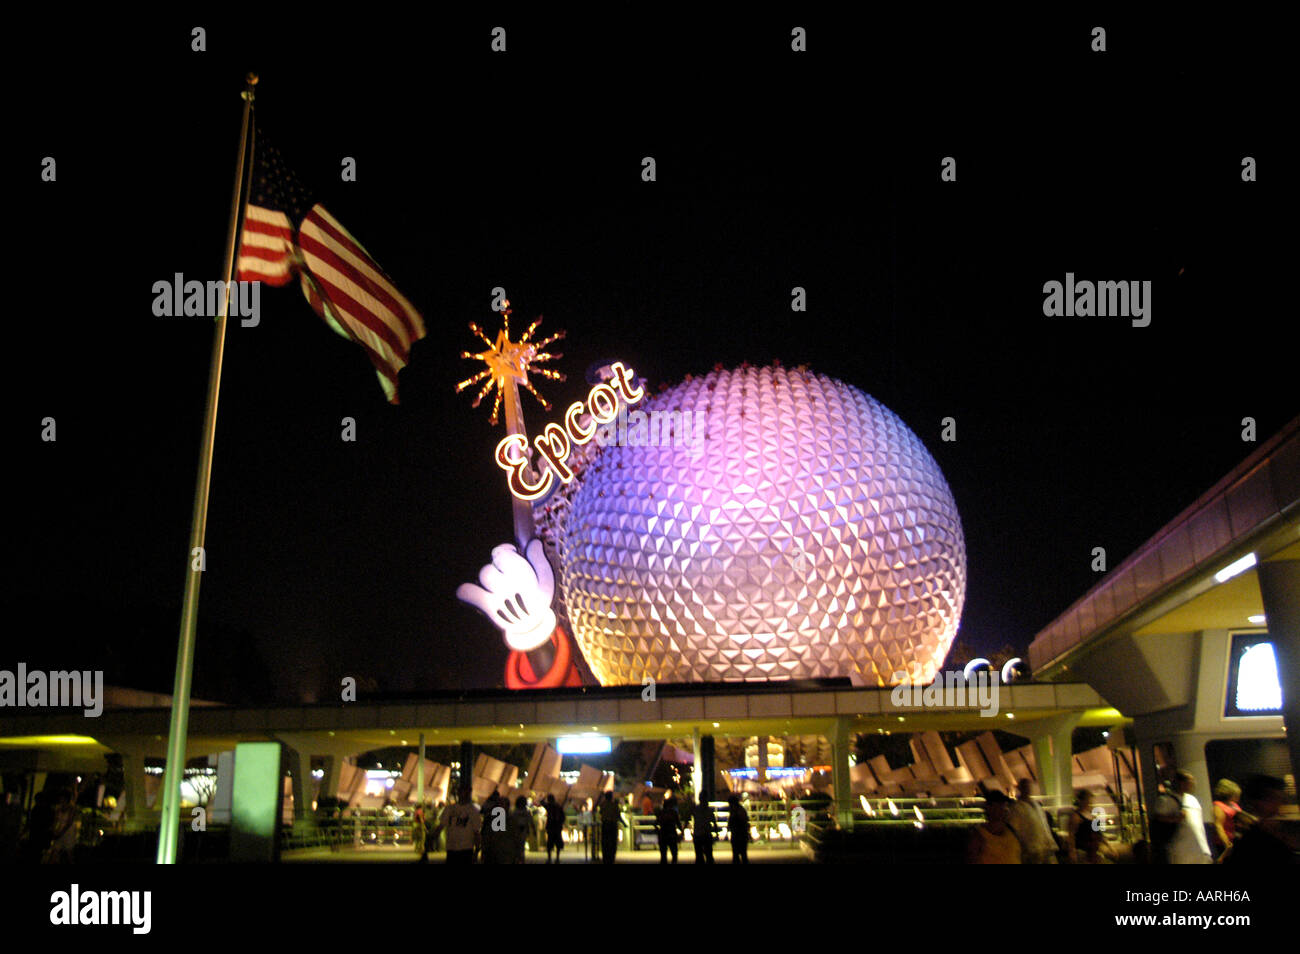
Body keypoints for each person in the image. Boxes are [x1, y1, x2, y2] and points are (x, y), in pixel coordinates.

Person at [1220, 775, 1296, 865]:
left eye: (1279, 799)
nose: (1278, 804)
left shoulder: (1270, 832)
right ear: (1257, 803)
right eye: (1272, 798)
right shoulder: (1254, 841)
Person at [1006, 778, 1058, 864]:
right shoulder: (1016, 808)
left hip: (1046, 847)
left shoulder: (1037, 805)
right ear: (1020, 789)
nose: (1028, 789)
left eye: (1029, 786)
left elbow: (1044, 825)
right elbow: (1015, 830)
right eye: (1026, 787)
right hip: (1032, 851)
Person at [1166, 770, 1212, 864]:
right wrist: (1175, 818)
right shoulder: (1168, 800)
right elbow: (1159, 818)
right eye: (1189, 781)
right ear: (1181, 783)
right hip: (1182, 852)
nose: (1193, 784)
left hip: (1200, 850)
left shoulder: (1192, 799)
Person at [966, 789, 1021, 864]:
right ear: (990, 808)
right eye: (1000, 805)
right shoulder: (979, 836)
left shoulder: (1010, 831)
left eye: (1004, 805)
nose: (1004, 808)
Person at [435, 785, 481, 864]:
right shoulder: (450, 809)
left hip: (465, 848)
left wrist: (476, 850)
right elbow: (441, 825)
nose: (463, 795)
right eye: (461, 792)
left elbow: (476, 832)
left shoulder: (472, 811)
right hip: (454, 847)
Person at [1064, 789, 1109, 863]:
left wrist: (1108, 846)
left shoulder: (1091, 814)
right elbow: (1071, 836)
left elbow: (1098, 832)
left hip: (1093, 850)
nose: (1090, 802)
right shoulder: (1076, 817)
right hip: (1083, 849)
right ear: (1082, 801)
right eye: (1088, 800)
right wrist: (1072, 851)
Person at [1210, 778, 1242, 858]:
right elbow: (1218, 826)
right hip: (1222, 844)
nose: (1238, 797)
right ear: (1229, 794)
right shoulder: (1218, 806)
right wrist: (1227, 844)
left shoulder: (1234, 805)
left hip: (1235, 840)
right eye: (1236, 795)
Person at [656, 793, 684, 864]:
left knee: (663, 855)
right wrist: (681, 832)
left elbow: (656, 823)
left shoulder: (661, 813)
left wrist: (658, 831)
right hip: (671, 834)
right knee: (674, 854)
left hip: (663, 835)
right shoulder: (673, 813)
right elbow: (678, 823)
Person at [599, 791, 625, 864]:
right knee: (613, 843)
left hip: (605, 825)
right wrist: (624, 824)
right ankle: (611, 859)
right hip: (613, 825)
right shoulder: (614, 805)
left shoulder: (602, 805)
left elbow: (600, 813)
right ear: (611, 797)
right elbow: (618, 815)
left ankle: (605, 858)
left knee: (605, 843)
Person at [510, 795, 535, 864]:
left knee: (518, 846)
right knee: (520, 847)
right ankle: (520, 859)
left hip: (518, 830)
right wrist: (533, 829)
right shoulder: (525, 812)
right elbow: (531, 821)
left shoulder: (515, 811)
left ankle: (518, 859)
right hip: (520, 830)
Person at [692, 797, 718, 864]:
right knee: (708, 855)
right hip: (706, 834)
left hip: (699, 834)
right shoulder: (709, 810)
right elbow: (714, 822)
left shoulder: (696, 809)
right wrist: (716, 832)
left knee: (699, 856)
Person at [727, 795, 750, 864]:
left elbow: (733, 822)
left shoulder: (736, 811)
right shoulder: (740, 810)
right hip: (741, 834)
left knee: (737, 855)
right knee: (742, 855)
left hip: (738, 834)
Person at [544, 793, 566, 863]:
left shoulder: (548, 806)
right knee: (558, 843)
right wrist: (561, 823)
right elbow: (563, 816)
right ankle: (557, 858)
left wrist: (544, 797)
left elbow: (541, 802)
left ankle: (549, 858)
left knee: (550, 843)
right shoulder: (558, 806)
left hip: (551, 827)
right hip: (557, 827)